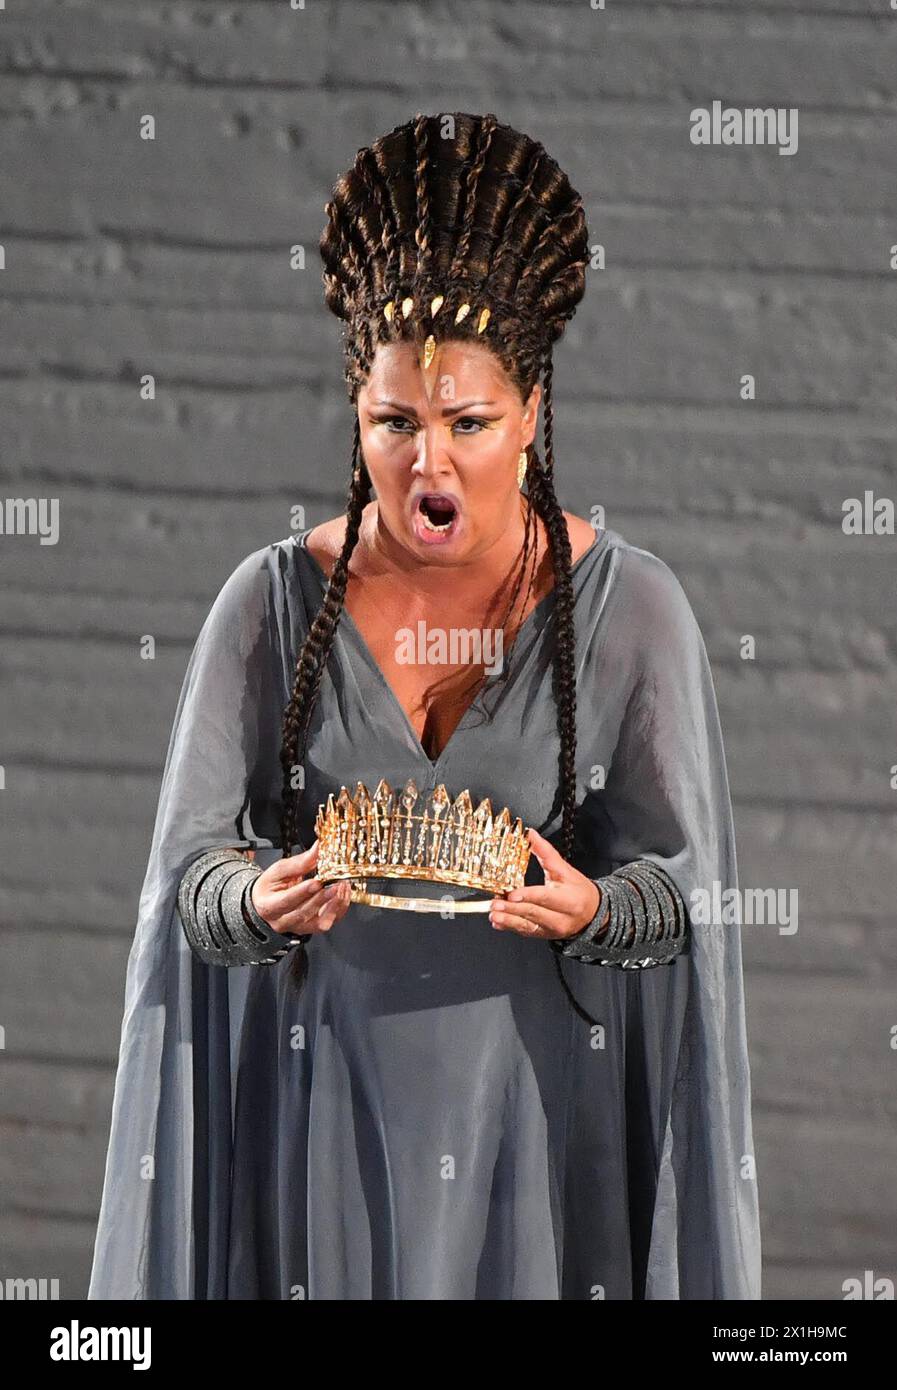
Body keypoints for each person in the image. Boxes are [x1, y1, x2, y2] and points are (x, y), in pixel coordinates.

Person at [88, 112, 761, 1300]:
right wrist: (252, 895)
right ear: (359, 417)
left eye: (469, 424)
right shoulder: (270, 603)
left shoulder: (632, 609)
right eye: (396, 423)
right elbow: (187, 886)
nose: (428, 465)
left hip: (540, 1135)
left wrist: (597, 906)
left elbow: (687, 899)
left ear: (533, 415)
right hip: (325, 1128)